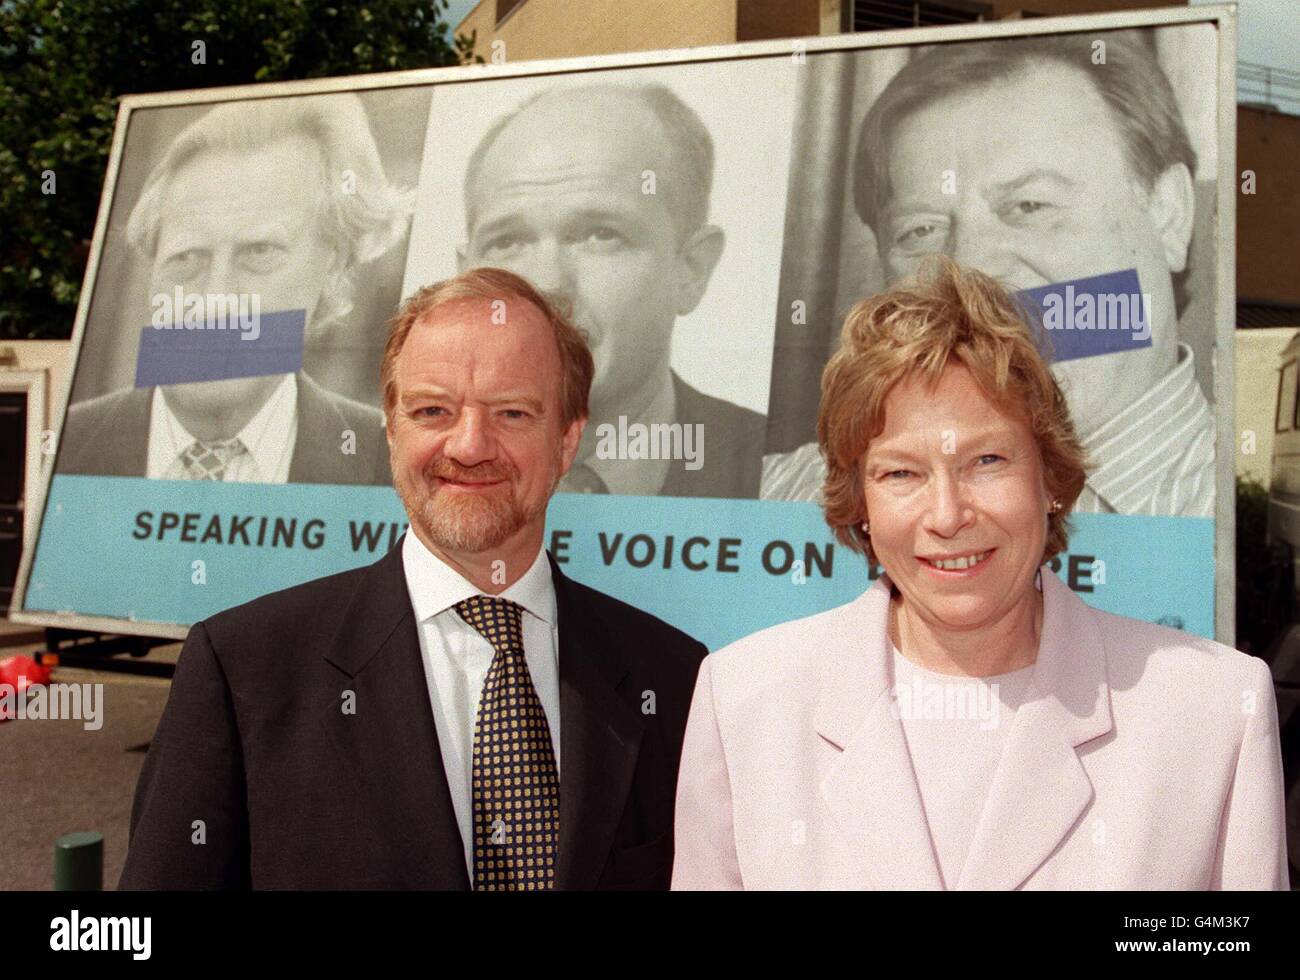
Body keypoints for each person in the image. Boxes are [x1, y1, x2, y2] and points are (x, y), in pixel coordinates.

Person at [673, 258, 1286, 890]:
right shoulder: (746, 702)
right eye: (900, 473)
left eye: (986, 460)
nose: (946, 515)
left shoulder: (1214, 712)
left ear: (1051, 476)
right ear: (858, 502)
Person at [119, 267, 707, 890]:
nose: (470, 445)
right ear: (392, 428)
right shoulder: (244, 672)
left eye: (512, 412)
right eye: (433, 410)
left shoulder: (672, 678)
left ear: (567, 438)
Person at [762, 32, 1214, 518]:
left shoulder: (1246, 525)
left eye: (1030, 205)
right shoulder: (772, 498)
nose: (973, 272)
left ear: (1170, 214)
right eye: (920, 230)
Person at [59, 92, 406, 485]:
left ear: (333, 266)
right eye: (187, 257)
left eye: (260, 251)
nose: (215, 301)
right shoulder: (66, 448)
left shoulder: (388, 466)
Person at [458, 83, 765, 498]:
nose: (546, 284)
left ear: (691, 269)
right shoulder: (393, 467)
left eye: (600, 235)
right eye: (508, 241)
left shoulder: (780, 476)